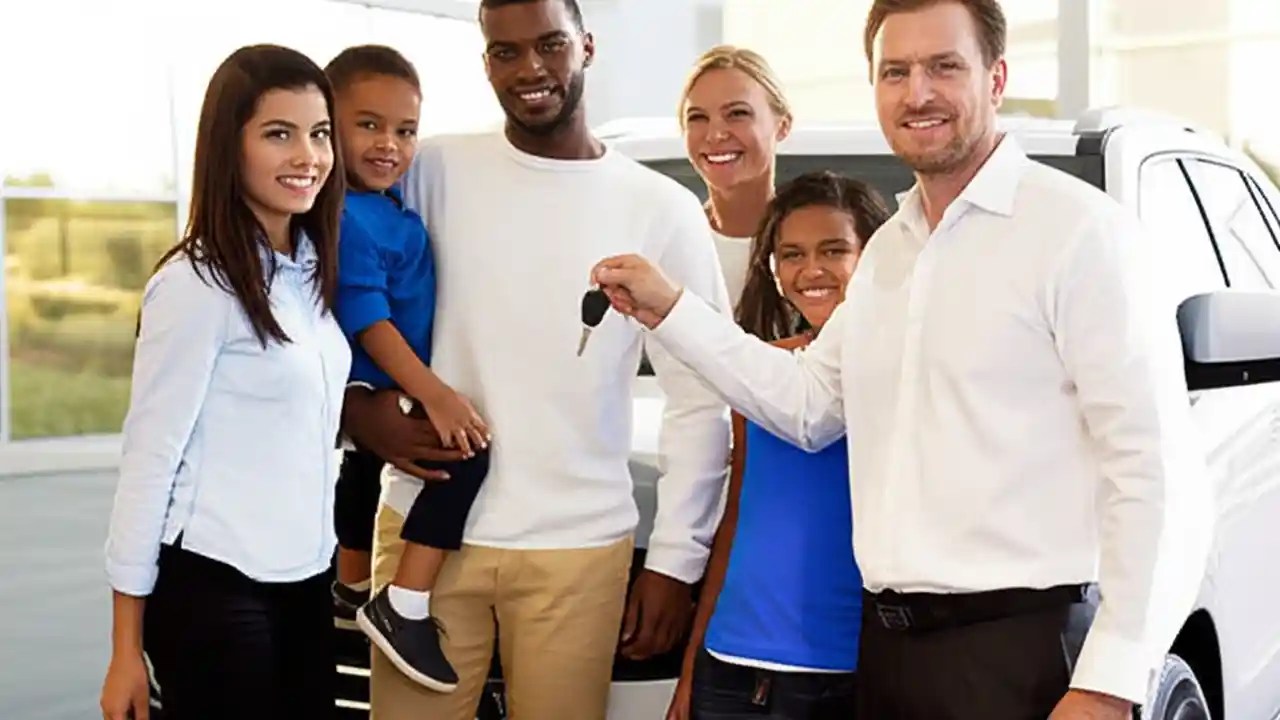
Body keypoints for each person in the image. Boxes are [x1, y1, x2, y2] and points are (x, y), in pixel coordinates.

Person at [592, 0, 1209, 718]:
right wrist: (672, 309)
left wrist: (1106, 686)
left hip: (1024, 655)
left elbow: (1157, 473)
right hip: (886, 659)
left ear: (996, 77)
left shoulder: (1080, 233)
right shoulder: (889, 251)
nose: (917, 93)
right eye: (896, 71)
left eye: (944, 66)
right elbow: (806, 405)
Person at [339, 0, 733, 718]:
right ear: (486, 60)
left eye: (550, 45)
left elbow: (702, 398)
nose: (530, 69)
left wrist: (676, 563)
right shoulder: (427, 168)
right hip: (425, 526)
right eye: (505, 52)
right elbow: (319, 285)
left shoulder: (661, 208)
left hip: (578, 548)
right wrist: (356, 412)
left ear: (586, 45)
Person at [99, 44, 349, 720]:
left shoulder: (307, 276)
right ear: (226, 146)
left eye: (319, 133)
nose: (308, 155)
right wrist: (125, 647)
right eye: (279, 133)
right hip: (215, 585)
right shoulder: (194, 286)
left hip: (305, 579)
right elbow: (149, 462)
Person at [668, 171, 890, 720]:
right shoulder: (762, 371)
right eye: (791, 253)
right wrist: (692, 668)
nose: (811, 269)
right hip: (730, 666)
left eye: (834, 250)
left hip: (847, 671)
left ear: (874, 259)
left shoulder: (901, 378)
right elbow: (738, 516)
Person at [323, 45, 493, 693]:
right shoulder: (348, 217)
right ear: (327, 123)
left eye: (405, 130)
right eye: (367, 125)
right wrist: (434, 393)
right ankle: (404, 603)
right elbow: (369, 320)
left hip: (387, 377)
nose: (388, 144)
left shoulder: (385, 202)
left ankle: (350, 583)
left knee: (361, 470)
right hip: (383, 375)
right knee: (465, 453)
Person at [679, 45, 791, 309]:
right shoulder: (667, 242)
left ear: (782, 125)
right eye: (697, 117)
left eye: (737, 114)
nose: (715, 134)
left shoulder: (817, 242)